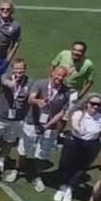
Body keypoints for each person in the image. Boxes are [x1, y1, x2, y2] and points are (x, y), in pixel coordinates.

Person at [19, 64, 72, 192]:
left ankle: (37, 176)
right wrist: (38, 102)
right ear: (52, 73)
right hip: (32, 122)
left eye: (62, 76)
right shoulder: (40, 83)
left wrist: (47, 126)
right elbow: (30, 99)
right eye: (58, 74)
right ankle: (17, 170)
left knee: (42, 153)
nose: (59, 78)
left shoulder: (67, 92)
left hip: (50, 127)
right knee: (23, 148)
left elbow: (62, 113)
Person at [53, 94, 101, 201]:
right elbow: (76, 126)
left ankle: (70, 188)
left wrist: (99, 141)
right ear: (87, 104)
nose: (95, 106)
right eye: (93, 104)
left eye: (98, 104)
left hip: (91, 145)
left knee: (81, 168)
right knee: (66, 164)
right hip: (74, 142)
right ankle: (63, 186)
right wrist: (81, 129)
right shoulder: (78, 114)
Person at [0, 57, 31, 182]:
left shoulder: (29, 82)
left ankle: (2, 159)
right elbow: (6, 83)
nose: (19, 72)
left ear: (25, 69)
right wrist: (13, 83)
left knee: (9, 141)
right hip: (0, 115)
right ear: (12, 69)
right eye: (17, 69)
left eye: (21, 69)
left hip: (16, 119)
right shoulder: (6, 76)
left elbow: (29, 100)